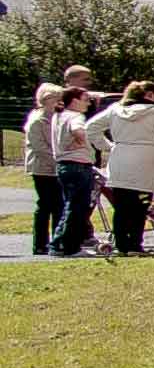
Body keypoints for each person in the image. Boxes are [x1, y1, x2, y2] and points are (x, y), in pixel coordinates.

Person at [91, 80, 154, 258]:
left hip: (120, 159)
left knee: (121, 206)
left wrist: (108, 146)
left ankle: (122, 245)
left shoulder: (115, 109)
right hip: (146, 161)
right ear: (149, 95)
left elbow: (91, 128)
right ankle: (135, 244)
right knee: (140, 205)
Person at [44, 87, 100, 260]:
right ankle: (70, 246)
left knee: (71, 205)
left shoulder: (59, 116)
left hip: (64, 166)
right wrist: (82, 141)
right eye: (85, 99)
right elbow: (78, 131)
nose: (88, 103)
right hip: (78, 165)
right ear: (75, 100)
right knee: (78, 207)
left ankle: (58, 243)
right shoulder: (76, 116)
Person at [18, 84, 56, 257]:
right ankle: (40, 244)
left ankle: (57, 241)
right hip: (42, 167)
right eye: (57, 99)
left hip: (55, 167)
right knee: (46, 204)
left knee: (59, 206)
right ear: (46, 100)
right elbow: (39, 147)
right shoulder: (37, 120)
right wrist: (57, 160)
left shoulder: (55, 117)